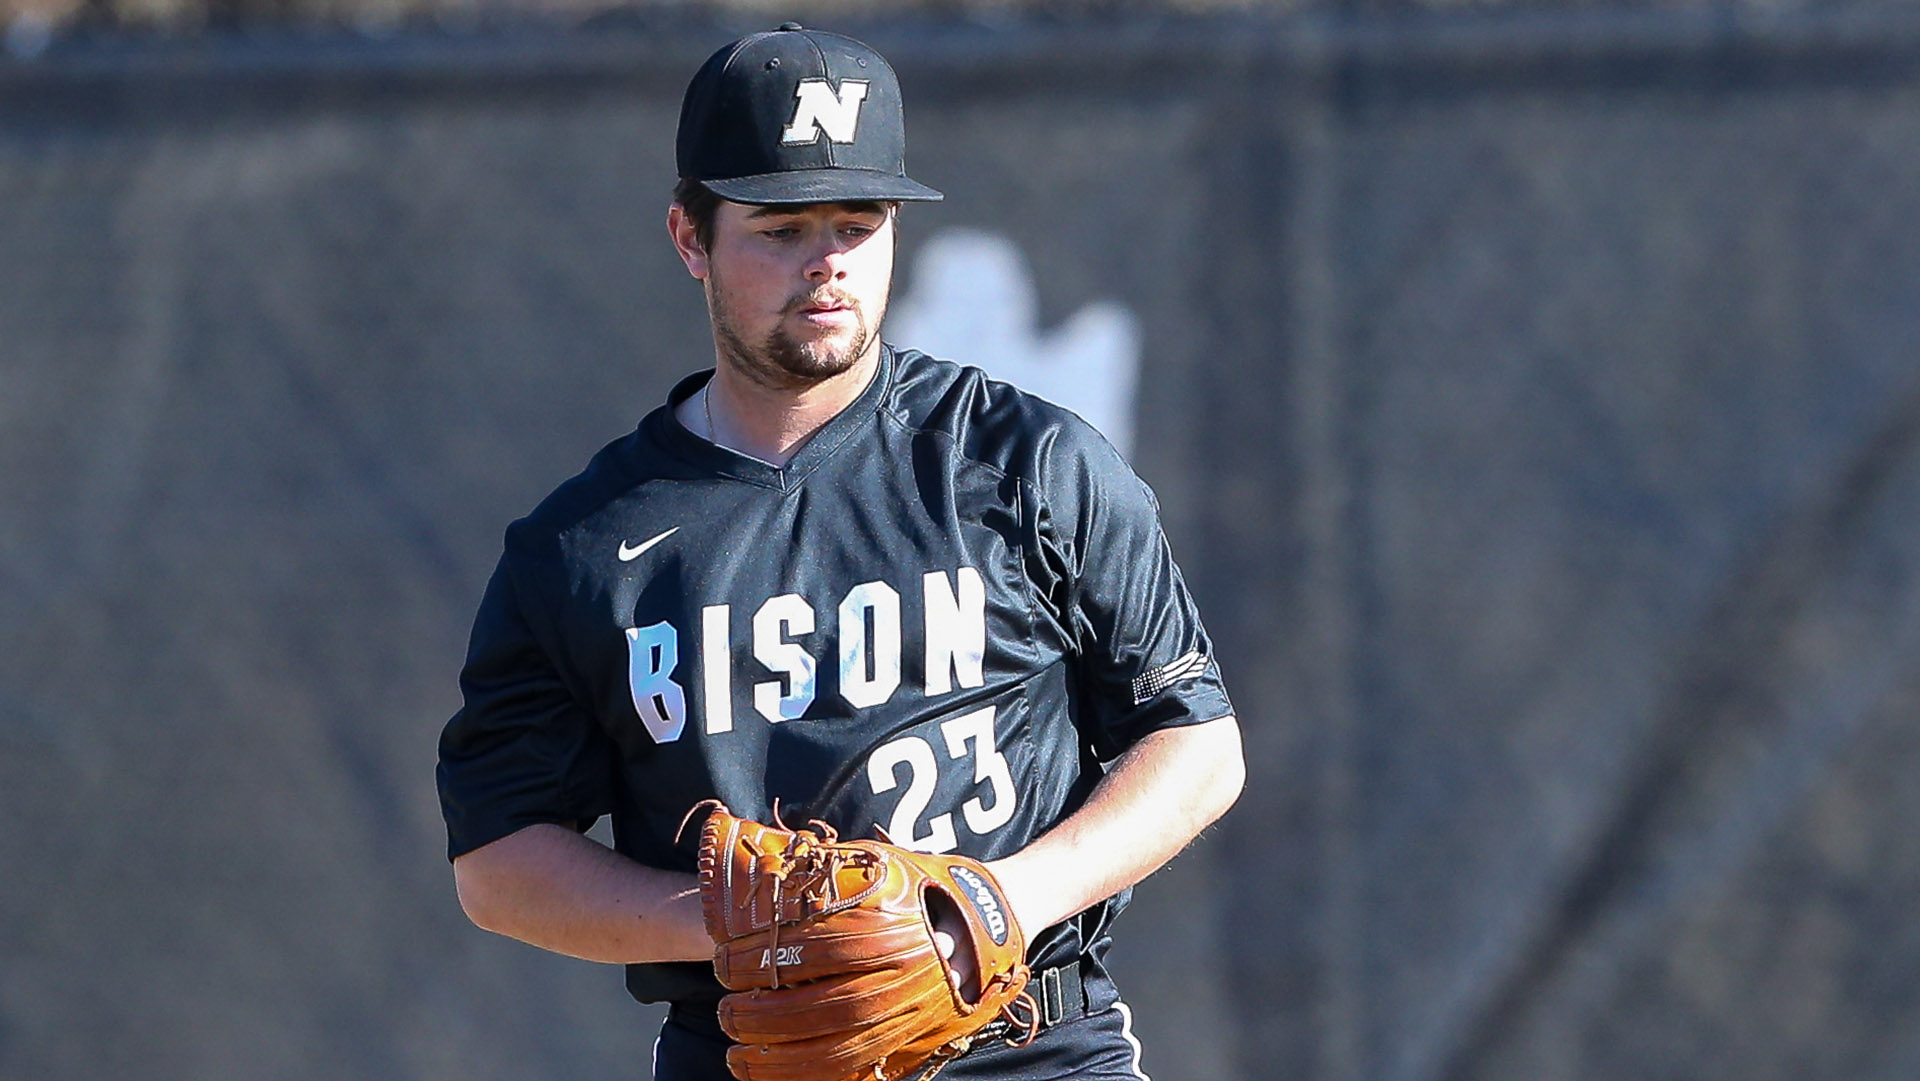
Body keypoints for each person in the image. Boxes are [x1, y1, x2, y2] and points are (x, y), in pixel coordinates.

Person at [436, 23, 1245, 1081]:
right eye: (780, 228)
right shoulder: (588, 546)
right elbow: (500, 860)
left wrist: (993, 903)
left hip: (1031, 1046)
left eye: (857, 224)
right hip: (759, 1054)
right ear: (690, 237)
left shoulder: (1025, 464)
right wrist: (738, 924)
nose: (825, 264)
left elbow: (1195, 744)